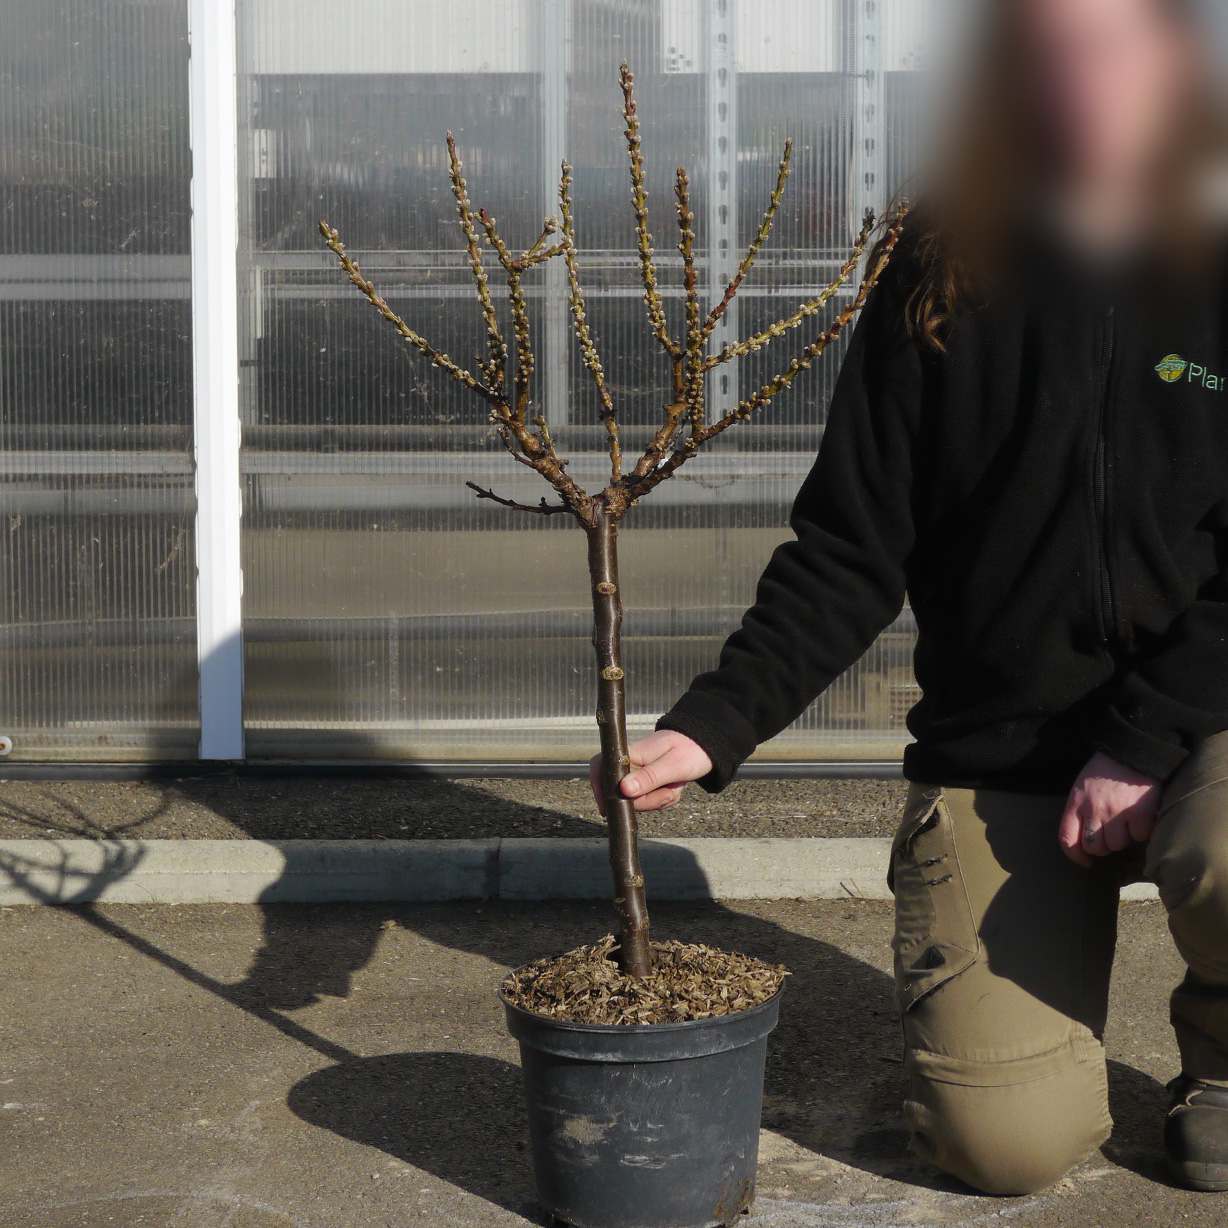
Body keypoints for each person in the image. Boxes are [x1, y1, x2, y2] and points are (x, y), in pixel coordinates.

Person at [590, 0, 1228, 1198]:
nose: (1084, 84)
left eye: (1116, 48)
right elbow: (851, 545)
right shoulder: (944, 268)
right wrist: (711, 725)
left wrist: (1143, 739)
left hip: (1203, 731)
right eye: (1049, 56)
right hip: (1003, 756)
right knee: (1004, 1147)